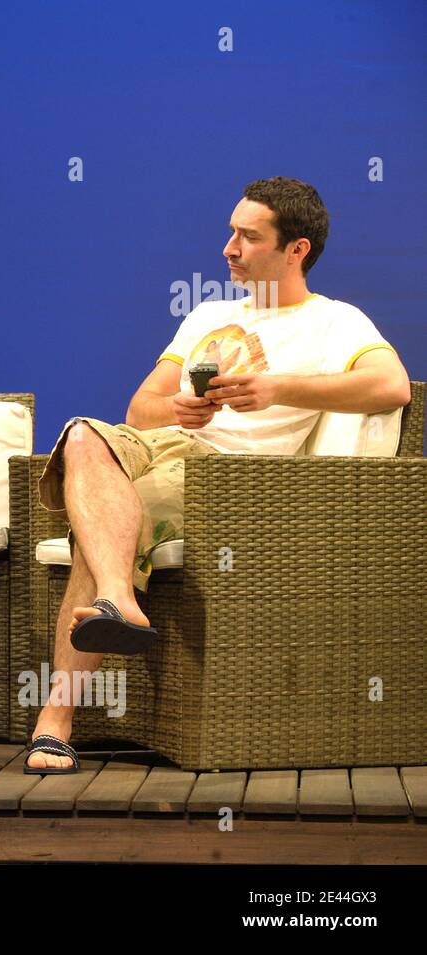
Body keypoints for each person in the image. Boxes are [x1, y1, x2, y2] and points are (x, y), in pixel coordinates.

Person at [27, 177, 413, 774]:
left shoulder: (336, 322)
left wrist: (275, 387)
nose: (228, 249)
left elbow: (390, 385)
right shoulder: (207, 313)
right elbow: (141, 408)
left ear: (296, 250)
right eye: (230, 232)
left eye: (247, 237)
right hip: (168, 442)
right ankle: (118, 599)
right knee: (81, 434)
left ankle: (56, 717)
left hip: (229, 478)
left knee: (98, 527)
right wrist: (181, 408)